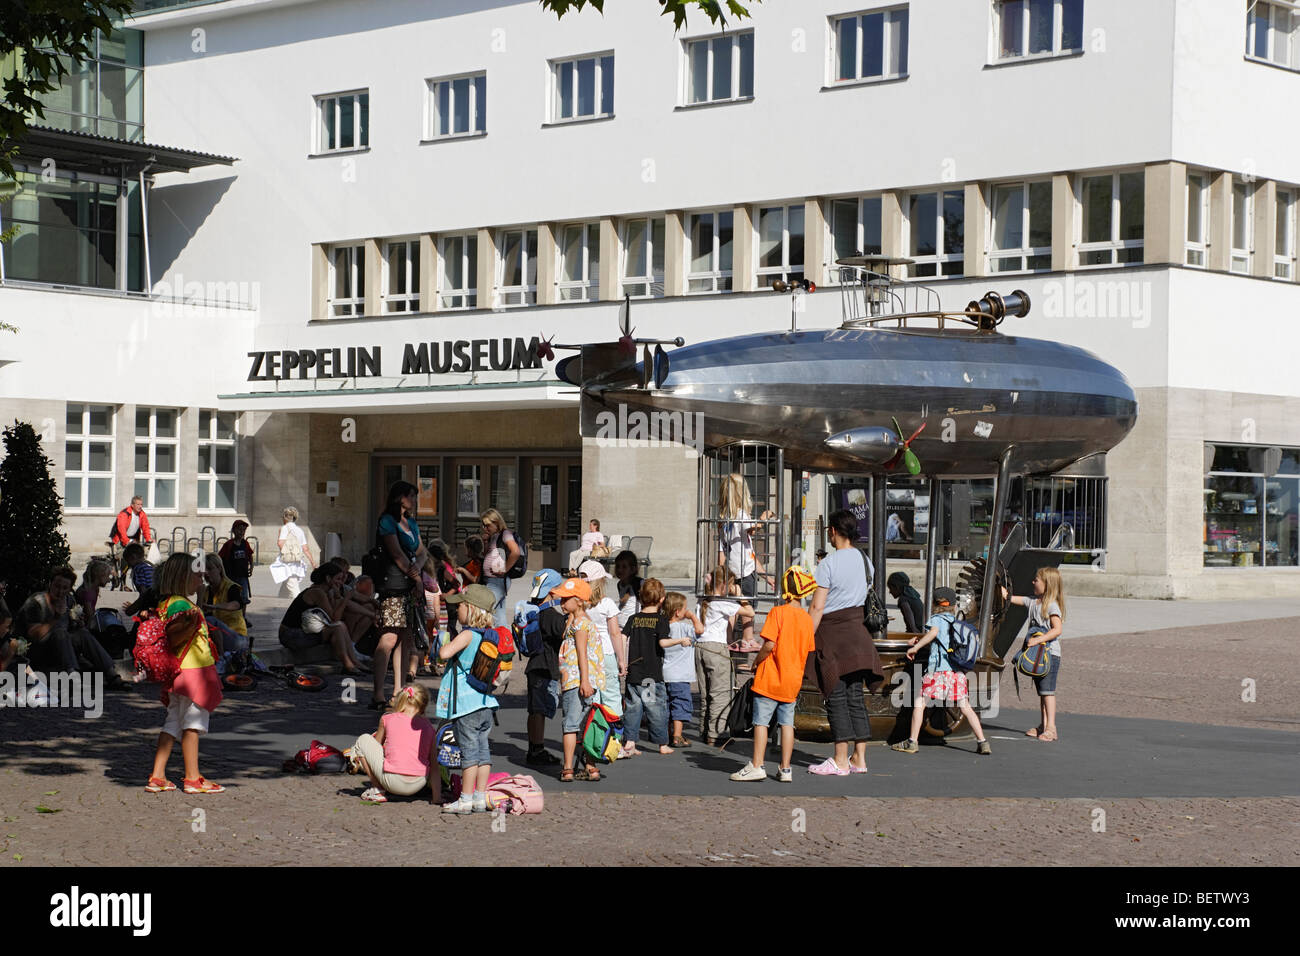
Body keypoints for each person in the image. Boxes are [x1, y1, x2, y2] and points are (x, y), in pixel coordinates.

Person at [807, 508, 885, 775]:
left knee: (836, 696)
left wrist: (806, 637)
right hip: (859, 636)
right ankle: (859, 759)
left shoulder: (828, 564)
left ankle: (840, 760)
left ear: (832, 531)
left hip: (834, 637)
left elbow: (817, 608)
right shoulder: (866, 561)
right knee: (855, 697)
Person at [146, 553, 225, 794]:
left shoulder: (168, 602)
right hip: (195, 671)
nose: (201, 581)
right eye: (198, 576)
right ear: (184, 577)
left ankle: (158, 775)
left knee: (172, 722)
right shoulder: (181, 604)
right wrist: (191, 622)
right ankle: (192, 778)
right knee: (193, 722)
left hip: (180, 671)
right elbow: (174, 636)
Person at [731, 567, 818, 782]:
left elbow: (769, 644)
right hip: (792, 679)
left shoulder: (777, 613)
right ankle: (785, 769)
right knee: (787, 724)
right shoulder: (807, 620)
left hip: (770, 677)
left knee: (761, 722)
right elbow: (807, 650)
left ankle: (757, 765)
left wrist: (756, 662)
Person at [891, 587, 991, 756]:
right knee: (965, 706)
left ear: (935, 603)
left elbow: (935, 632)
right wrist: (922, 639)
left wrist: (915, 647)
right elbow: (938, 637)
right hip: (956, 672)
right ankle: (983, 742)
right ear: (952, 605)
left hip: (938, 671)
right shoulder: (955, 621)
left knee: (919, 704)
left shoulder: (937, 619)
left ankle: (912, 742)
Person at [436, 584, 502, 813]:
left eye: (460, 606)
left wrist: (443, 640)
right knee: (483, 753)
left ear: (471, 609)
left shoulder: (467, 634)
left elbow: (445, 654)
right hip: (485, 703)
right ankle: (480, 797)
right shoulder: (489, 635)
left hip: (466, 705)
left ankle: (464, 799)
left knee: (468, 754)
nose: (457, 611)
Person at [17, 567, 126, 690]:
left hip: (62, 649)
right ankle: (72, 677)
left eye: (65, 588)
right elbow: (33, 635)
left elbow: (73, 630)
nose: (60, 592)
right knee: (60, 633)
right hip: (38, 650)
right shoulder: (37, 602)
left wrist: (78, 623)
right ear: (50, 584)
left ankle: (111, 674)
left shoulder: (69, 600)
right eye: (57, 586)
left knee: (82, 633)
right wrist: (56, 617)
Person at [373, 481, 427, 709]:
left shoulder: (411, 523)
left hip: (410, 584)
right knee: (389, 636)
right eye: (411, 497)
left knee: (405, 637)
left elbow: (421, 552)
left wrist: (418, 571)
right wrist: (416, 577)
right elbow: (396, 554)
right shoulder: (387, 521)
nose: (414, 501)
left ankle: (398, 690)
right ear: (400, 499)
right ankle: (377, 692)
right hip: (394, 583)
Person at [552, 576, 605, 783]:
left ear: (580, 601)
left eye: (566, 599)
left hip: (577, 681)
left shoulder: (581, 624)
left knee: (571, 725)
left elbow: (582, 653)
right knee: (587, 725)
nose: (561, 603)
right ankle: (591, 768)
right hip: (583, 681)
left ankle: (567, 768)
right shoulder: (579, 621)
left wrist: (584, 681)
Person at [1003, 567, 1066, 742]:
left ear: (1047, 584)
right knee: (1042, 692)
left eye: (1036, 580)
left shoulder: (1051, 605)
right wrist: (1004, 593)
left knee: (1048, 692)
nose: (1033, 582)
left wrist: (1038, 640)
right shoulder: (1033, 602)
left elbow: (1057, 629)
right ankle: (1043, 725)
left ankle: (1051, 728)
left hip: (1049, 654)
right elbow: (1013, 599)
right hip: (1038, 653)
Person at [696, 564, 754, 745]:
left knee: (705, 694)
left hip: (700, 647)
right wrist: (739, 594)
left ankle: (704, 730)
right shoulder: (723, 602)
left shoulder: (703, 601)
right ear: (724, 585)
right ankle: (717, 733)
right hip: (716, 648)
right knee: (720, 693)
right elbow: (750, 612)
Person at [351, 684, 437, 804]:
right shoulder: (429, 727)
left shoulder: (388, 718)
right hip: (418, 783)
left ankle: (377, 790)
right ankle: (435, 795)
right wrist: (437, 797)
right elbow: (434, 765)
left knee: (363, 740)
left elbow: (377, 746)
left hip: (393, 781)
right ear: (423, 705)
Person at [620, 578, 673, 757]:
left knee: (633, 708)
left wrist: (622, 660)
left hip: (634, 671)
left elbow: (622, 638)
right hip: (651, 674)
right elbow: (663, 642)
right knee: (655, 708)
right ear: (661, 599)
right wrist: (681, 641)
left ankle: (630, 741)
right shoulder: (661, 620)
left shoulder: (633, 619)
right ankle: (662, 743)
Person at [278, 566, 365, 674]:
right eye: (338, 579)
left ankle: (354, 662)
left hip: (303, 632)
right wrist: (346, 598)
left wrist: (336, 597)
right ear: (328, 579)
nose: (340, 583)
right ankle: (349, 664)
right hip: (291, 635)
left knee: (340, 627)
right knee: (338, 627)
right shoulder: (317, 592)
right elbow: (334, 618)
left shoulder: (326, 592)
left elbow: (334, 615)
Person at [520, 568, 566, 767]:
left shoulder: (536, 610)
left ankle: (535, 747)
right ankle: (536, 750)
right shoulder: (551, 616)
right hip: (544, 667)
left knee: (535, 710)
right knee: (538, 710)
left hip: (535, 666)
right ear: (553, 591)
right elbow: (566, 634)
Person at [579, 560, 625, 719]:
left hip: (586, 654)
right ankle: (614, 736)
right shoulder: (607, 603)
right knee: (611, 695)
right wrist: (621, 659)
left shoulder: (579, 603)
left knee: (593, 697)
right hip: (606, 653)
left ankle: (593, 734)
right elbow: (615, 633)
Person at [661, 591, 703, 749]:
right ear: (678, 612)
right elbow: (700, 630)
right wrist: (692, 617)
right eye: (685, 608)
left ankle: (666, 734)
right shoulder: (684, 627)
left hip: (666, 673)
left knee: (666, 705)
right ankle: (677, 735)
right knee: (680, 704)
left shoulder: (664, 626)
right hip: (681, 675)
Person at [76, 558, 130, 658]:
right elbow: (89, 617)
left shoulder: (93, 588)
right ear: (99, 576)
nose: (109, 579)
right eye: (107, 576)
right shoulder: (89, 593)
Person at [197, 553, 249, 656]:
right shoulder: (206, 591)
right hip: (220, 637)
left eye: (210, 569)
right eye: (204, 570)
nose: (207, 573)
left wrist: (215, 607)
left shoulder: (231, 587)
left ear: (219, 569)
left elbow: (237, 604)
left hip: (238, 639)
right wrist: (199, 596)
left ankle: (221, 658)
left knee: (211, 621)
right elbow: (197, 617)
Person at [479, 508, 521, 627]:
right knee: (499, 617)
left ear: (496, 523)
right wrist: (486, 541)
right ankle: (505, 643)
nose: (485, 528)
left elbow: (515, 551)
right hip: (492, 580)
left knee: (484, 610)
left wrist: (505, 569)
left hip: (497, 581)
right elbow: (487, 554)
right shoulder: (494, 537)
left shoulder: (505, 534)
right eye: (483, 525)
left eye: (487, 525)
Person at [270, 506, 313, 598]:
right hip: (297, 560)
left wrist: (287, 553)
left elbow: (280, 543)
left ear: (285, 517)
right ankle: (280, 600)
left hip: (287, 562)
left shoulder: (284, 528)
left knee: (292, 585)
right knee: (287, 583)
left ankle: (300, 604)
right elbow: (305, 548)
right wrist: (313, 563)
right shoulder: (300, 530)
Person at [218, 520, 254, 611]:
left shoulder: (245, 544)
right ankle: (231, 615)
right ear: (233, 531)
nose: (241, 532)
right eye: (239, 530)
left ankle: (243, 617)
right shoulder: (229, 544)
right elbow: (219, 558)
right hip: (231, 576)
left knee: (244, 597)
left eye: (243, 530)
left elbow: (250, 556)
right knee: (232, 596)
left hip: (243, 575)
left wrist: (251, 567)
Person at [612, 549, 643, 631]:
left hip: (635, 624)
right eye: (618, 566)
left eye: (624, 567)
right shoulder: (619, 584)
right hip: (622, 623)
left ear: (633, 569)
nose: (620, 570)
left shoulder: (639, 583)